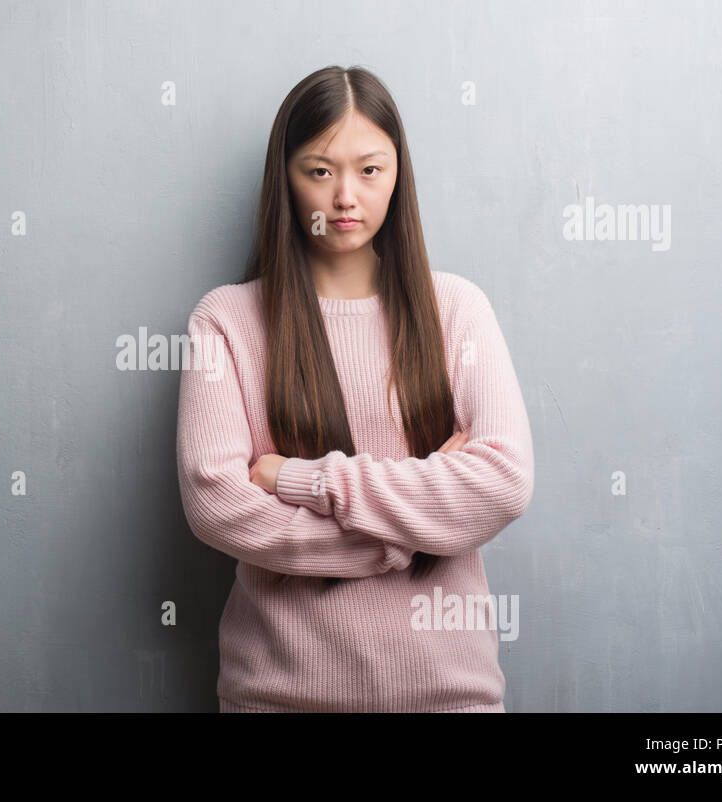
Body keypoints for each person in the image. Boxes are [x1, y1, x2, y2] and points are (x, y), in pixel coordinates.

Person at [175, 65, 535, 712]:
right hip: (278, 697)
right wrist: (400, 536)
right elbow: (216, 503)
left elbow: (503, 481)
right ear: (284, 178)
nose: (346, 196)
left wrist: (301, 480)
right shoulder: (225, 320)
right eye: (319, 170)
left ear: (399, 176)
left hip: (449, 696)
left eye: (370, 170)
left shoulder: (456, 309)